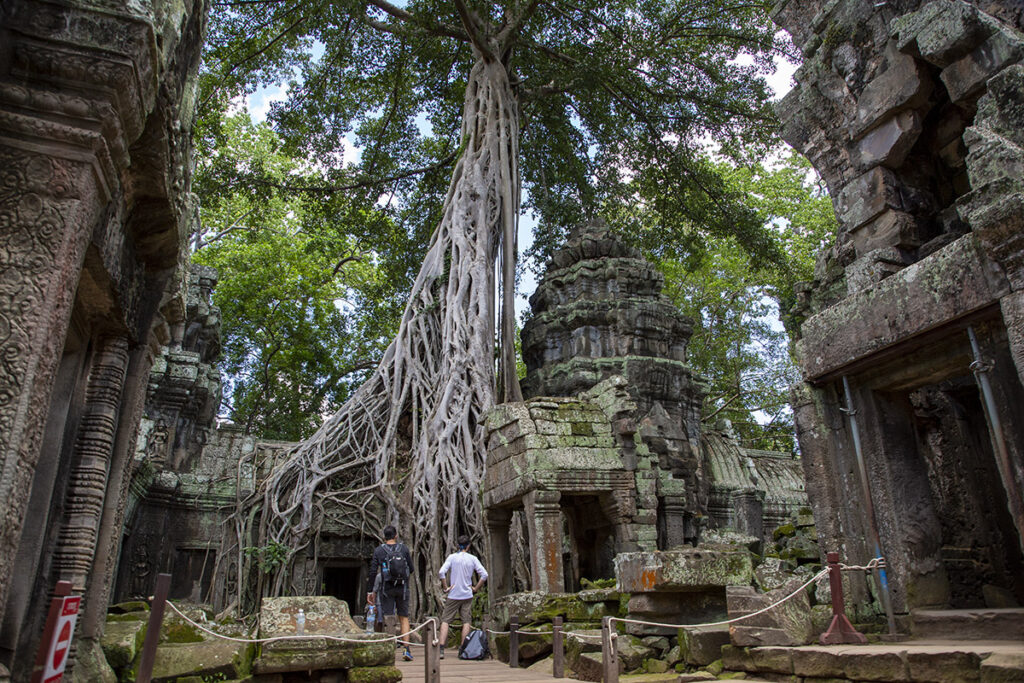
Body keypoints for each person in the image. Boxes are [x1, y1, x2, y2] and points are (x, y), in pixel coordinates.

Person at [367, 525, 414, 661]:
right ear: (396, 535)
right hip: (402, 588)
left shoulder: (379, 551)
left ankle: (389, 650)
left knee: (388, 618)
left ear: (384, 537)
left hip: (386, 588)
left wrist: (370, 591)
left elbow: (372, 572)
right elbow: (411, 568)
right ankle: (406, 649)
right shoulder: (404, 549)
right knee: (404, 617)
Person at [437, 534, 488, 659]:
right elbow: (484, 575)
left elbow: (441, 572)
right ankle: (463, 649)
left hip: (453, 594)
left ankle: (441, 649)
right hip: (467, 594)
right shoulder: (473, 558)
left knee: (445, 620)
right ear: (469, 545)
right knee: (466, 621)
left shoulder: (452, 557)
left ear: (457, 545)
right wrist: (476, 588)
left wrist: (445, 587)